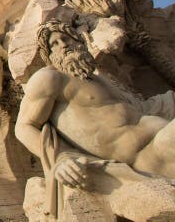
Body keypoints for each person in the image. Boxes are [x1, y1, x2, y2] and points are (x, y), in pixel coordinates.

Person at [15, 18, 175, 189]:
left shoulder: (100, 77)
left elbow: (140, 110)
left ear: (79, 41)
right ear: (49, 54)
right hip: (144, 157)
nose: (63, 45)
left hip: (160, 136)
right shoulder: (49, 78)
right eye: (54, 43)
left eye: (66, 38)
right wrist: (59, 159)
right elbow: (24, 127)